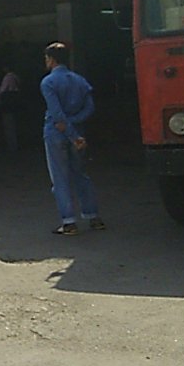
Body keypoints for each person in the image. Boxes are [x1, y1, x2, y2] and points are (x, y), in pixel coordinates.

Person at [40, 42, 104, 235]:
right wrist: (76, 129)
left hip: (55, 133)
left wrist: (70, 132)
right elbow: (90, 108)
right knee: (81, 175)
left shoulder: (48, 82)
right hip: (78, 131)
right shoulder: (80, 80)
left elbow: (57, 115)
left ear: (51, 59)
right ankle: (93, 217)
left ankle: (69, 222)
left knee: (60, 178)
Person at [0, 67, 22, 153]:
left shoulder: (7, 77)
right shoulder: (16, 77)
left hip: (8, 105)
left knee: (9, 125)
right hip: (15, 104)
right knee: (14, 124)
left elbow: (3, 90)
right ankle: (15, 144)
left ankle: (11, 146)